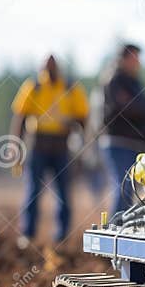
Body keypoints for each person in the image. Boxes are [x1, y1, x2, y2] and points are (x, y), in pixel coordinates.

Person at [10, 55, 89, 244]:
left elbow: (83, 118)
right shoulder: (33, 87)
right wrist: (15, 146)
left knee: (63, 192)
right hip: (38, 146)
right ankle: (27, 234)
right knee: (32, 191)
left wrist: (80, 141)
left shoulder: (70, 88)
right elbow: (20, 118)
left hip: (62, 147)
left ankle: (62, 236)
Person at [100, 44, 145, 215]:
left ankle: (123, 227)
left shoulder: (133, 82)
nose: (138, 62)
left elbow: (144, 106)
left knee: (130, 189)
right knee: (123, 187)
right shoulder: (114, 81)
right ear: (123, 59)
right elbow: (132, 108)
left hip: (134, 144)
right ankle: (115, 228)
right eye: (134, 58)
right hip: (118, 143)